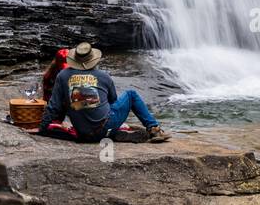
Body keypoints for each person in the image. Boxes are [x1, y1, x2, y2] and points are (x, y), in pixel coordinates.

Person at [39, 42, 171, 143]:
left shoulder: (62, 75)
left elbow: (53, 106)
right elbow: (113, 101)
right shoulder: (103, 76)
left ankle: (110, 132)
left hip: (82, 133)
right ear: (93, 60)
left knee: (78, 100)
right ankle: (154, 129)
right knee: (131, 94)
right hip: (105, 128)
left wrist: (42, 129)